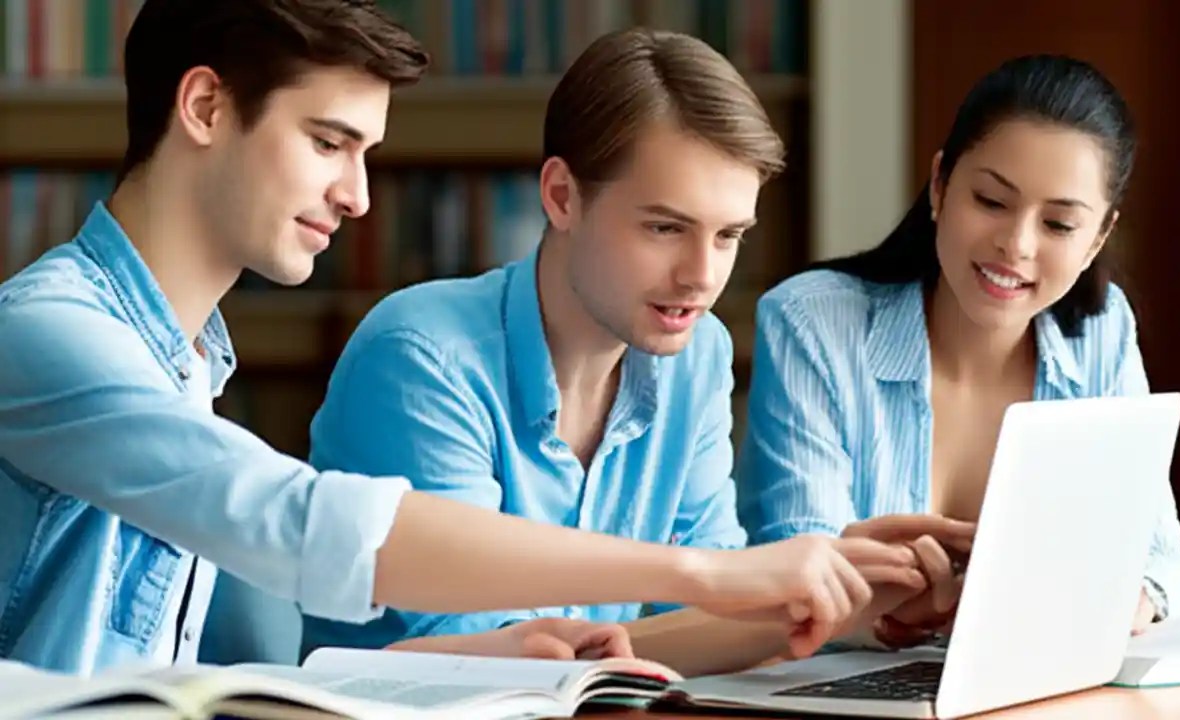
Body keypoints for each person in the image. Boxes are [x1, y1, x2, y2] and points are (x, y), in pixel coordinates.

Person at [0, 0, 922, 675]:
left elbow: (228, 684)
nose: (359, 197)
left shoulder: (189, 360)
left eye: (365, 154)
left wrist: (823, 591)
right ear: (203, 107)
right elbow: (307, 526)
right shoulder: (50, 334)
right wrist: (709, 575)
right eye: (329, 143)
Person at [298, 27, 971, 677]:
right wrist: (752, 601)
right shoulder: (423, 357)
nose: (702, 277)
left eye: (729, 235)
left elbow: (699, 617)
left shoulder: (695, 353)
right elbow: (491, 661)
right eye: (665, 227)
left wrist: (840, 590)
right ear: (563, 196)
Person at [735, 54, 1180, 649]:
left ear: (1098, 239)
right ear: (939, 185)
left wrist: (1123, 602)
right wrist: (904, 614)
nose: (1016, 244)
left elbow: (1166, 565)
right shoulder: (813, 323)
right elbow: (801, 585)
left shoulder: (1101, 331)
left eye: (1059, 225)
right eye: (991, 201)